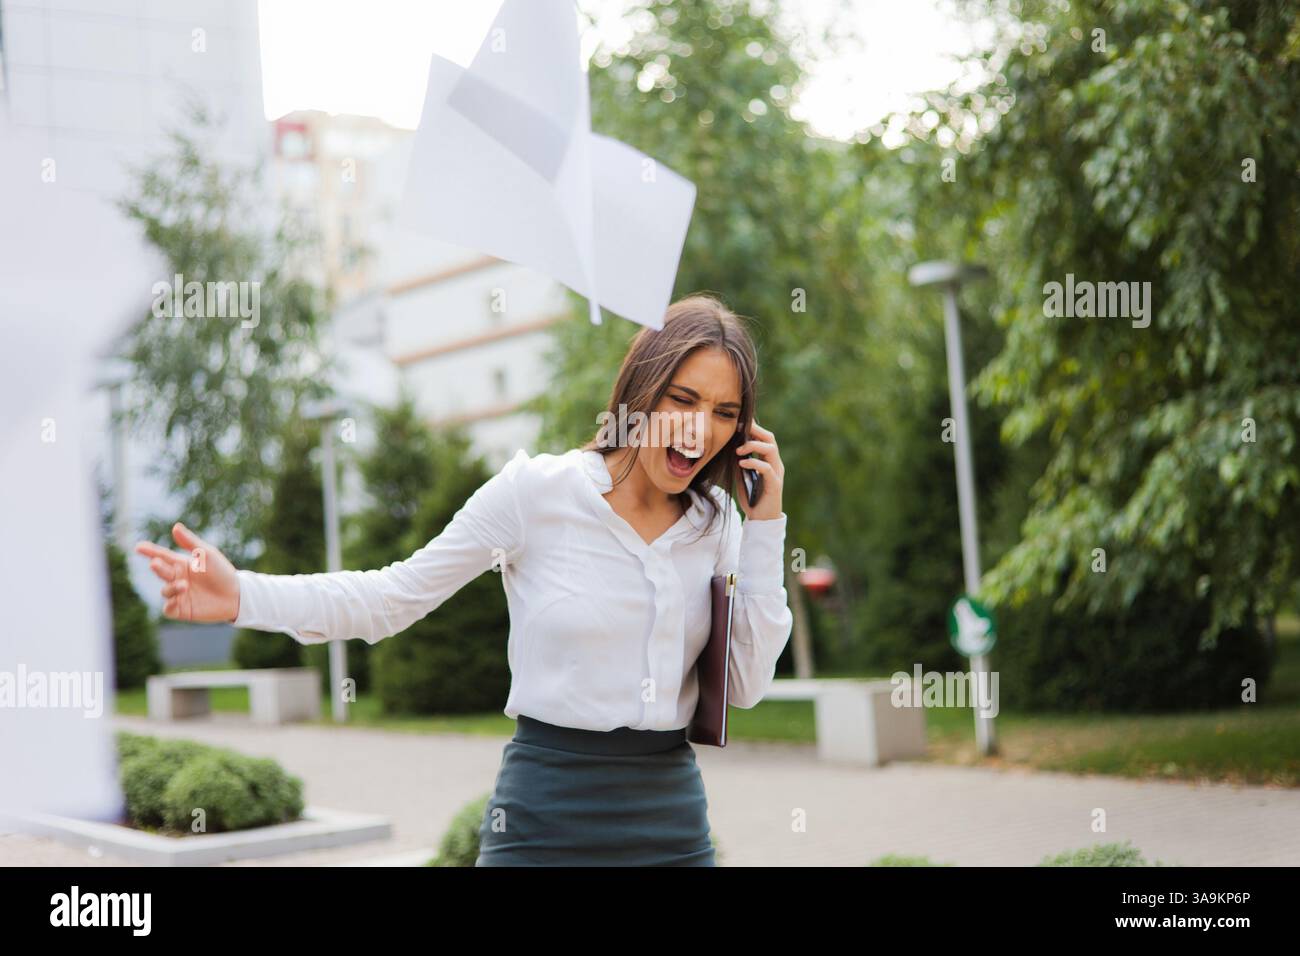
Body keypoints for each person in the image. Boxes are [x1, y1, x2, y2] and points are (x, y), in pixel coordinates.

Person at [136, 293, 793, 866]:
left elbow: (746, 685)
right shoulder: (536, 492)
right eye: (683, 398)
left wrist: (766, 527)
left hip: (671, 825)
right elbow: (393, 596)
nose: (699, 428)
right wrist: (245, 595)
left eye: (723, 411)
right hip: (544, 821)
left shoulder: (718, 524)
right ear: (640, 390)